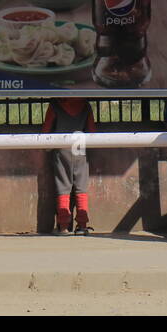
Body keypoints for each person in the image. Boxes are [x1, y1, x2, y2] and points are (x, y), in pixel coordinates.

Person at [41, 98, 96, 235]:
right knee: (81, 187)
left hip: (62, 150)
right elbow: (92, 131)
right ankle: (82, 225)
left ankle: (63, 226)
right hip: (80, 149)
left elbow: (46, 129)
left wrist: (46, 148)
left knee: (63, 187)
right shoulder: (86, 105)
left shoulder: (54, 105)